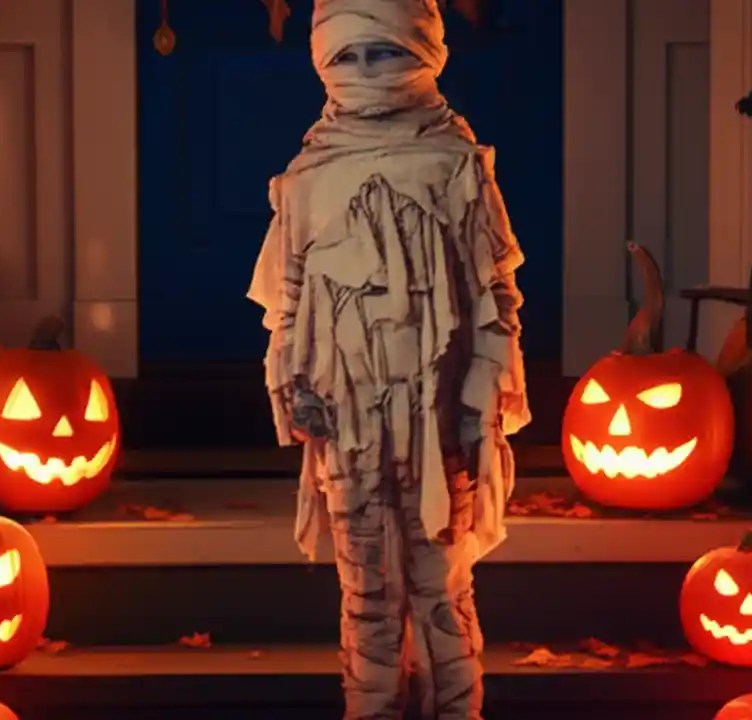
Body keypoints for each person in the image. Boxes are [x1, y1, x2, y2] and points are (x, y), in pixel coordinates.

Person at [248, 1, 529, 717]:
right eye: (349, 57)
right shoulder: (310, 174)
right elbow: (289, 296)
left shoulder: (455, 163)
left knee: (442, 586)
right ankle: (368, 706)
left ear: (424, 51)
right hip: (348, 421)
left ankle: (456, 706)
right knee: (366, 589)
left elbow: (495, 297)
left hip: (439, 425)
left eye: (385, 53)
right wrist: (292, 386)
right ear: (322, 62)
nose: (369, 72)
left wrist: (476, 402)